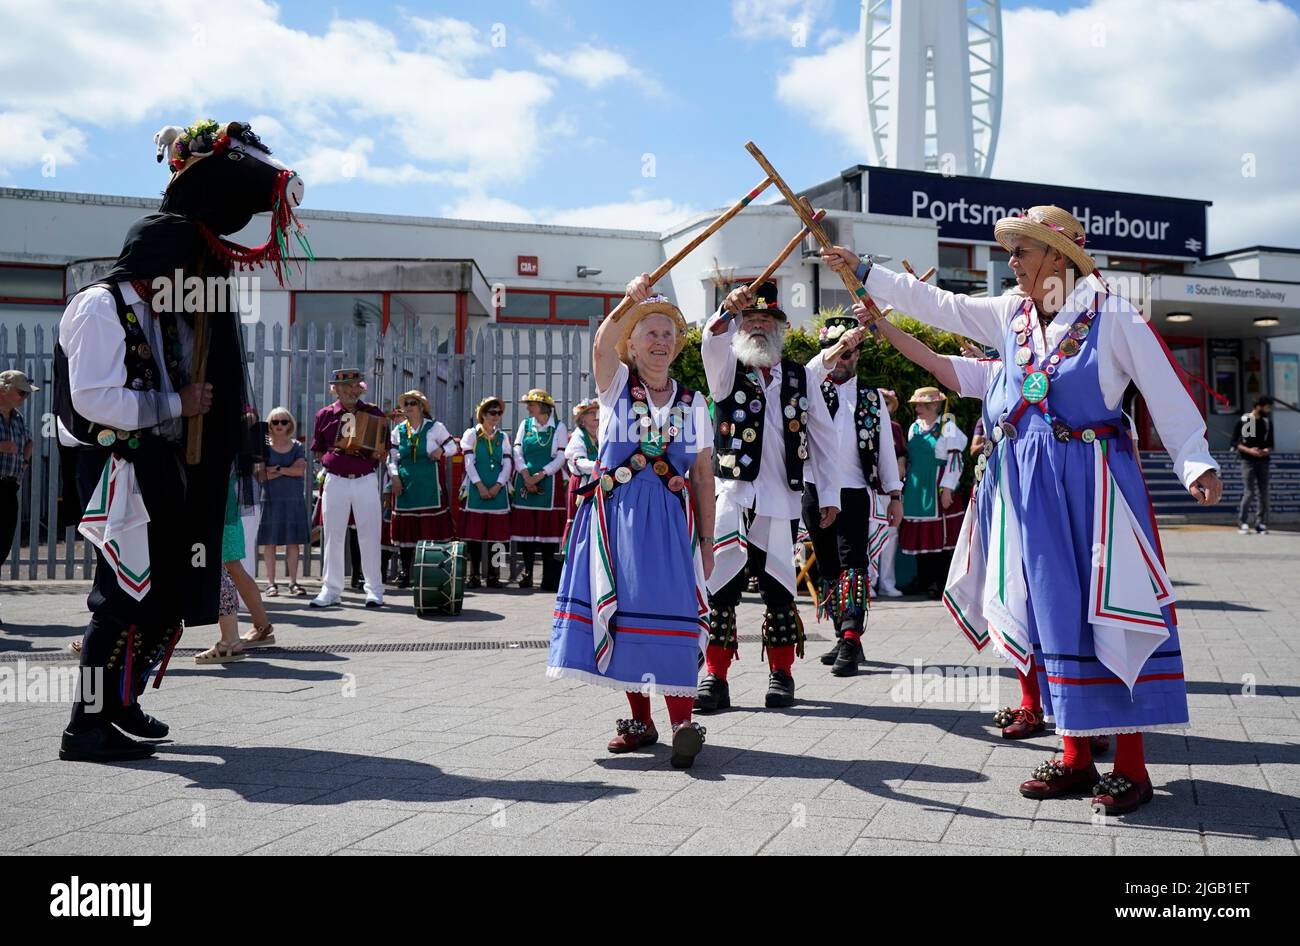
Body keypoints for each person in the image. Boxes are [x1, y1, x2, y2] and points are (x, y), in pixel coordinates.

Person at [824, 203, 1222, 814]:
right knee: (1052, 614)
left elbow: (1163, 384)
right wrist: (867, 273)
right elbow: (944, 308)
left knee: (1111, 610)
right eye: (1010, 252)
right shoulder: (1012, 313)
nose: (1010, 263)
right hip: (1028, 483)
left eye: (1022, 252)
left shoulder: (1111, 312)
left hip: (1094, 481)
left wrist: (1195, 460)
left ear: (1058, 257)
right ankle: (1076, 756)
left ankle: (1134, 768)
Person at [54, 118, 299, 761]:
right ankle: (86, 724)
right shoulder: (98, 306)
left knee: (156, 593)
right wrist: (178, 401)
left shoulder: (156, 316)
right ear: (158, 262)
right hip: (114, 470)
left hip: (151, 468)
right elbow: (94, 400)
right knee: (119, 595)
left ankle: (120, 703)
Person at [547, 291, 714, 769]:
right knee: (624, 618)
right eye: (650, 334)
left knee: (676, 614)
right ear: (633, 347)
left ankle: (683, 722)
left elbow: (703, 476)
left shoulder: (693, 401)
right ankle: (641, 722)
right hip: (615, 521)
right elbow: (600, 345)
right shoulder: (616, 386)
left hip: (670, 525)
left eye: (668, 334)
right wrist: (627, 301)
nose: (661, 342)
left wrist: (707, 542)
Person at [688, 279, 842, 712]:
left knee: (779, 591)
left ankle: (782, 676)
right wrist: (724, 309)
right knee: (722, 589)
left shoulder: (801, 376)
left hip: (782, 499)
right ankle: (714, 679)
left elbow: (825, 438)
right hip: (733, 496)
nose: (756, 326)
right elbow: (710, 342)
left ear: (780, 327)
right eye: (749, 319)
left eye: (765, 320)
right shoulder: (725, 370)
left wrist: (828, 492)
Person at [803, 316, 903, 676]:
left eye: (849, 353)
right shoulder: (811, 387)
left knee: (853, 566)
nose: (842, 360)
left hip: (856, 492)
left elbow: (886, 450)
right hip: (815, 489)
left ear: (859, 355)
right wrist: (837, 346)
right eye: (837, 352)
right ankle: (841, 634)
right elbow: (810, 372)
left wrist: (894, 494)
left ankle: (851, 638)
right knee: (829, 568)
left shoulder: (872, 396)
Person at [310, 368, 386, 608]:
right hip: (336, 479)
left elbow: (384, 449)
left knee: (370, 534)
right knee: (332, 535)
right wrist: (330, 458)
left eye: (355, 386)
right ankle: (330, 590)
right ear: (335, 390)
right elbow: (318, 449)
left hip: (365, 478)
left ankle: (374, 590)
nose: (352, 390)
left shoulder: (373, 413)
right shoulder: (324, 415)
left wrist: (374, 450)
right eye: (346, 387)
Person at [897, 387, 967, 599]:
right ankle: (923, 579)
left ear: (933, 406)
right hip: (916, 487)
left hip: (936, 485)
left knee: (940, 538)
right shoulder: (914, 428)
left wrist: (948, 488)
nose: (917, 409)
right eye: (916, 405)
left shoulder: (947, 426)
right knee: (919, 537)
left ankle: (939, 583)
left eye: (920, 405)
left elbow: (955, 461)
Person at [387, 389, 460, 587]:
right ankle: (405, 572)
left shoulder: (435, 427)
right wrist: (394, 477)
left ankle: (431, 572)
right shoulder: (398, 430)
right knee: (407, 532)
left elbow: (454, 447)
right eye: (406, 404)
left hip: (429, 487)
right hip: (406, 486)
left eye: (413, 403)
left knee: (430, 530)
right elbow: (391, 457)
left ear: (421, 407)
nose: (408, 407)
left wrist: (441, 450)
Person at [511, 389, 568, 591]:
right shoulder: (525, 425)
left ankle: (548, 576)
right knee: (526, 531)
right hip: (524, 480)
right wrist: (526, 475)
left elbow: (561, 456)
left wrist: (541, 475)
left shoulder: (559, 427)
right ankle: (526, 572)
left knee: (547, 533)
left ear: (543, 407)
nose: (528, 408)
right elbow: (516, 450)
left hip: (548, 482)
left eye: (531, 404)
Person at [256, 406, 309, 597]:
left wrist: (275, 469)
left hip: (293, 500)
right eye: (275, 422)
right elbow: (261, 475)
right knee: (269, 543)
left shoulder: (297, 446)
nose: (279, 425)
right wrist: (287, 469)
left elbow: (299, 471)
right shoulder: (264, 446)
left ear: (290, 425)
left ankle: (293, 583)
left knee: (293, 543)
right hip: (269, 500)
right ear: (269, 424)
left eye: (283, 421)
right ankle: (271, 584)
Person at [460, 397, 513, 589]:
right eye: (492, 413)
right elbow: (468, 464)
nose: (496, 416)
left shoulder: (503, 437)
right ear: (482, 414)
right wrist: (480, 486)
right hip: (476, 491)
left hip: (498, 491)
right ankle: (473, 575)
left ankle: (494, 575)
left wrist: (498, 485)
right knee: (473, 537)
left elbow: (507, 464)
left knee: (498, 538)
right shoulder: (471, 434)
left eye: (499, 413)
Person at [0, 369, 35, 578]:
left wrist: (24, 462)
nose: (25, 397)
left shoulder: (17, 417)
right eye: (22, 393)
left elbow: (29, 441)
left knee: (3, 543)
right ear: (4, 390)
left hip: (10, 487)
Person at [873, 389, 907, 597]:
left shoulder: (895, 428)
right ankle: (869, 582)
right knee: (871, 533)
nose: (883, 407)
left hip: (891, 490)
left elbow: (902, 453)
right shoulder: (865, 423)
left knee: (891, 534)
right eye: (880, 403)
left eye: (887, 403)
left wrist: (900, 467)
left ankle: (887, 582)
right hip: (870, 488)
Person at [561, 398, 599, 555]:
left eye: (597, 411)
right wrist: (600, 467)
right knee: (581, 524)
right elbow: (578, 462)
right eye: (591, 413)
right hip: (582, 487)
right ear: (582, 420)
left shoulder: (601, 434)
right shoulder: (578, 436)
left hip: (598, 484)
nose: (596, 415)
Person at [1232, 395, 1274, 534]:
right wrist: (1250, 450)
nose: (1269, 410)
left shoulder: (1267, 422)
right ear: (1258, 406)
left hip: (1263, 461)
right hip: (1248, 461)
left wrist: (1265, 451)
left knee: (1264, 494)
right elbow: (1235, 442)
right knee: (1249, 492)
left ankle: (1260, 523)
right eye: (1267, 407)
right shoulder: (1246, 420)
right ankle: (1242, 522)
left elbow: (1271, 445)